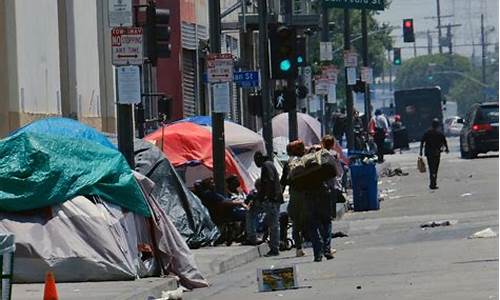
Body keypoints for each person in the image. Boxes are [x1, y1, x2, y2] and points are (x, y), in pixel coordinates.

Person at [244, 151, 283, 256]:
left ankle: (274, 248)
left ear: (259, 158)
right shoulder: (269, 164)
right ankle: (254, 237)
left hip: (271, 200)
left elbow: (269, 182)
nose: (255, 163)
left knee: (273, 224)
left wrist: (263, 197)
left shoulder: (266, 166)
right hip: (273, 199)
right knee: (253, 212)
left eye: (256, 160)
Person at [281, 140, 307, 257]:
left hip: (295, 195)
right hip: (307, 194)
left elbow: (283, 181)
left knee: (296, 224)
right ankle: (321, 247)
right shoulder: (306, 160)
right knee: (312, 221)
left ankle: (299, 248)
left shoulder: (289, 163)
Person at [420, 118, 449, 190]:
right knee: (435, 168)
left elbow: (422, 141)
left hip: (429, 153)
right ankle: (434, 182)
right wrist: (447, 149)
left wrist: (420, 151)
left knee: (431, 168)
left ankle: (432, 182)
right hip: (436, 153)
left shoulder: (427, 132)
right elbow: (445, 142)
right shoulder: (439, 133)